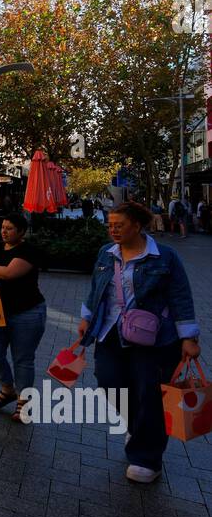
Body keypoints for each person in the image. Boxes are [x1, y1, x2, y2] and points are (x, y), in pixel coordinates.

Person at [78, 200, 200, 484]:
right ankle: (138, 426)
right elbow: (97, 288)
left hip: (154, 339)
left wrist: (189, 337)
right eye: (109, 225)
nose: (113, 231)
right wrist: (86, 317)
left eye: (119, 225)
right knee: (109, 383)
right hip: (110, 333)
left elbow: (181, 296)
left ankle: (147, 458)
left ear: (137, 225)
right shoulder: (105, 254)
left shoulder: (164, 257)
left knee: (150, 394)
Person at [0, 212, 47, 424]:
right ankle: (8, 389)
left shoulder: (28, 251)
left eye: (9, 228)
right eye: (3, 227)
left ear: (21, 232)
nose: (4, 231)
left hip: (28, 313)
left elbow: (8, 273)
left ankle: (24, 401)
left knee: (22, 359)